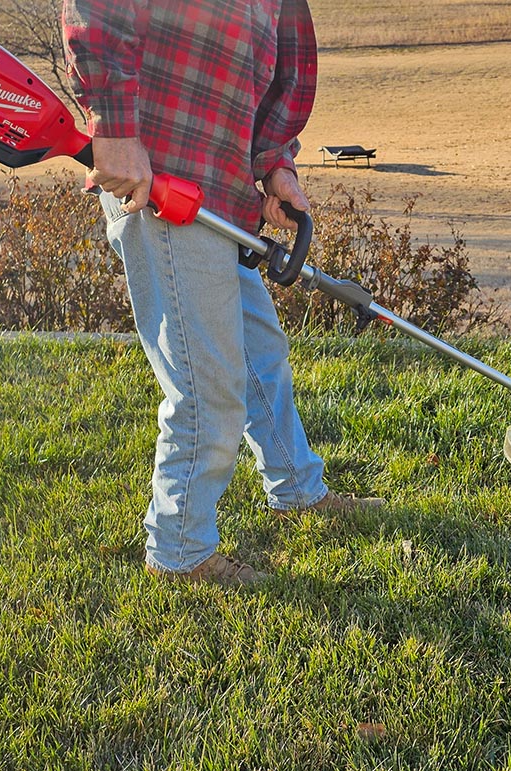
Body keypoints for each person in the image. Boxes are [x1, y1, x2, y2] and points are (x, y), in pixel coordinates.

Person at [62, 0, 382, 585]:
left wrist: (275, 166)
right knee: (208, 386)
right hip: (158, 180)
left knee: (260, 353)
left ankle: (297, 488)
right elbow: (98, 10)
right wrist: (114, 129)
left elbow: (278, 78)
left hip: (220, 191)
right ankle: (180, 551)